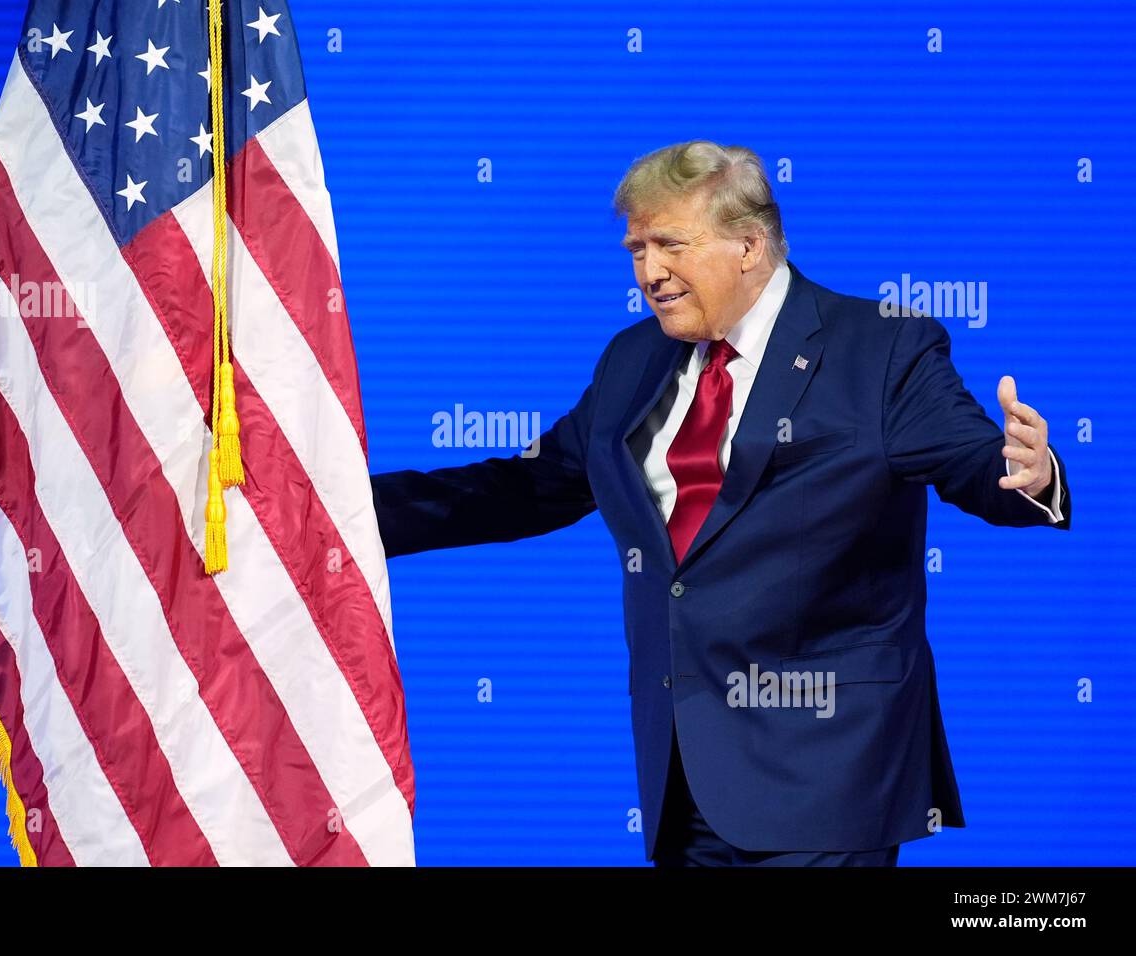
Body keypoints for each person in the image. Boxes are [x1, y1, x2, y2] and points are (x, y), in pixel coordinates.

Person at [369, 141, 1070, 866]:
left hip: (829, 770)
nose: (649, 272)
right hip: (685, 779)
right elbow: (524, 488)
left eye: (670, 244)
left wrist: (1026, 471)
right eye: (636, 248)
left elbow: (972, 462)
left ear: (748, 244)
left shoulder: (881, 347)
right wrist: (342, 515)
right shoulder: (632, 360)